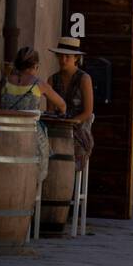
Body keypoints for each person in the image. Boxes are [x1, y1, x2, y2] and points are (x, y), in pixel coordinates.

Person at [0, 46, 67, 181]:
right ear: (35, 66)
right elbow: (62, 105)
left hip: (3, 132)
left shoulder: (5, 81)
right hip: (29, 135)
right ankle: (36, 184)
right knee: (44, 146)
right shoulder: (39, 84)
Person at [49, 36, 95, 170]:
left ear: (76, 58)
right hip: (57, 128)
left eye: (67, 57)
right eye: (60, 56)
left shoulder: (84, 79)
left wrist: (70, 125)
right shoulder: (52, 80)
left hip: (79, 129)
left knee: (72, 150)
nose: (63, 60)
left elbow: (87, 112)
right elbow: (51, 111)